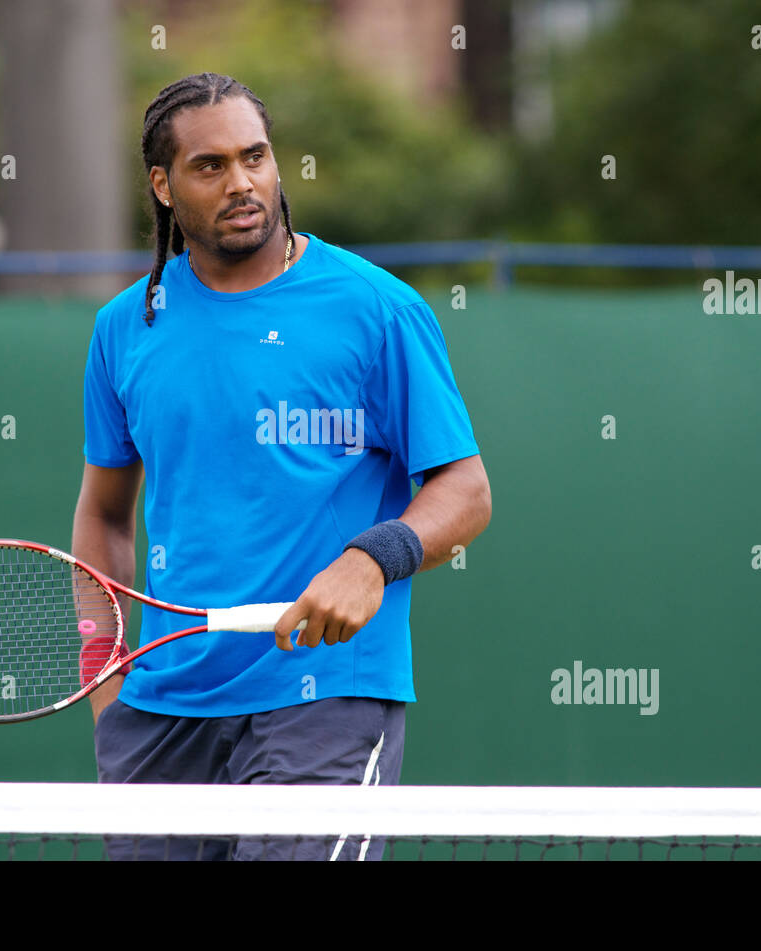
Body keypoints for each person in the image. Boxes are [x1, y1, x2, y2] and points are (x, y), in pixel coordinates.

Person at [73, 73, 491, 860]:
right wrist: (104, 676)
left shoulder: (378, 308)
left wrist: (374, 558)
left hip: (325, 698)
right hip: (161, 711)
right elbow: (102, 515)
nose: (242, 183)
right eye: (210, 166)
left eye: (255, 156)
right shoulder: (123, 329)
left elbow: (465, 488)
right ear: (162, 186)